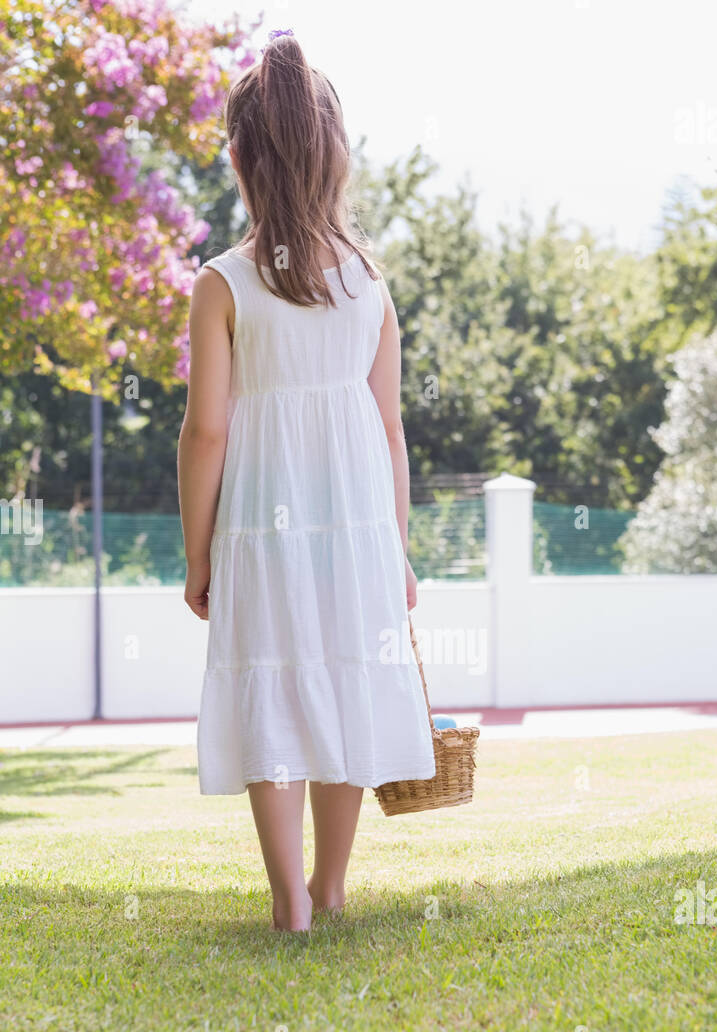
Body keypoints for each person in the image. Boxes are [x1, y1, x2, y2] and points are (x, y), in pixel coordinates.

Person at [177, 31, 434, 934]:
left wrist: (196, 555)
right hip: (358, 522)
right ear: (335, 153)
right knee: (343, 682)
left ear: (243, 158)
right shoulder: (370, 281)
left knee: (276, 684)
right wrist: (395, 552)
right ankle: (331, 887)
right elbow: (391, 430)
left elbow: (207, 431)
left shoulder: (224, 285)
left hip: (262, 523)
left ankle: (290, 904)